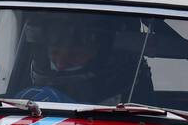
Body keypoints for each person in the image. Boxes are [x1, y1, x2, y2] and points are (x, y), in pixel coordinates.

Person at [16, 13, 152, 105]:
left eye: (75, 55)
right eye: (55, 53)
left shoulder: (138, 109)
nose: (61, 65)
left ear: (105, 56)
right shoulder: (20, 102)